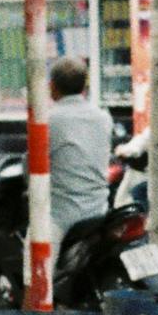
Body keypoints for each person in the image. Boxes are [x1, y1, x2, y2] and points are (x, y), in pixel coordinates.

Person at [42, 56, 114, 248]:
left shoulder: (48, 120)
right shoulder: (103, 118)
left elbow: (33, 165)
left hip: (61, 217)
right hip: (99, 211)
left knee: (34, 253)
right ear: (84, 87)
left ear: (52, 86)